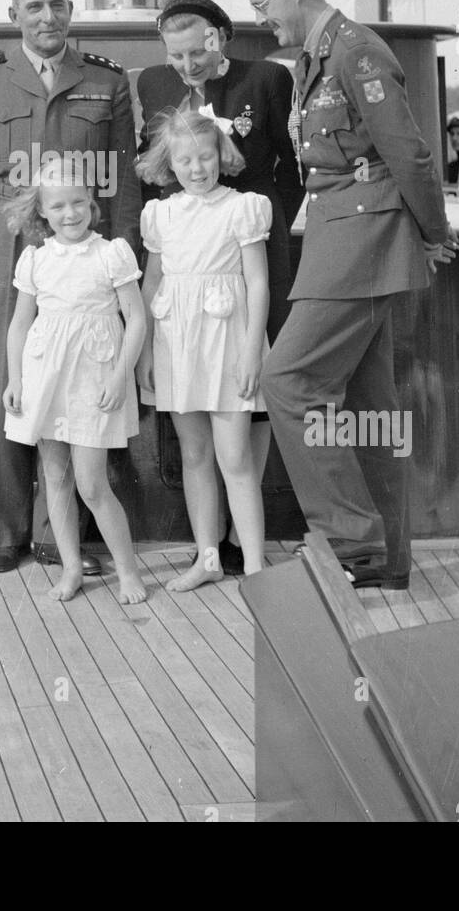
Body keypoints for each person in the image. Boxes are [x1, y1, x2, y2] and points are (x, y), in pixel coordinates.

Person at [245, 0, 457, 590]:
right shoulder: (316, 56)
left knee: (285, 379)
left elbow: (410, 152)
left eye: (264, 4)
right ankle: (388, 560)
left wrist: (434, 230)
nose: (261, 20)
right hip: (340, 237)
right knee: (370, 407)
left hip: (361, 241)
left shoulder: (355, 51)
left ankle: (351, 540)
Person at [0, 0, 141, 575]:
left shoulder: (104, 82)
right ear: (14, 17)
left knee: (84, 382)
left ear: (71, 10)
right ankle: (6, 531)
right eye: (34, 7)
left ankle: (66, 538)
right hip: (8, 250)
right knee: (15, 381)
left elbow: (125, 181)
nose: (47, 17)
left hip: (85, 254)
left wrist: (125, 259)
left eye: (57, 5)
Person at [137, 0, 303, 573]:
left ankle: (241, 538)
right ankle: (214, 540)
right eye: (176, 55)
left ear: (220, 37)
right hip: (184, 247)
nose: (187, 66)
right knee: (198, 422)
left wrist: (264, 216)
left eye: (197, 51)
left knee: (247, 386)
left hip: (253, 240)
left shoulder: (265, 80)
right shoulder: (154, 85)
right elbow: (153, 159)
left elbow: (291, 164)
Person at [135, 109, 271, 591]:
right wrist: (147, 352)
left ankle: (254, 566)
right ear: (170, 162)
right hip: (178, 342)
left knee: (235, 458)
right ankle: (208, 558)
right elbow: (152, 282)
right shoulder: (161, 213)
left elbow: (257, 283)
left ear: (221, 154)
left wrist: (253, 351)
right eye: (186, 160)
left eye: (206, 157)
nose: (197, 169)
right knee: (195, 456)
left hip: (228, 341)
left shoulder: (243, 207)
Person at [2, 177, 148, 604]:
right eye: (59, 206)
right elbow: (19, 325)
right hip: (46, 378)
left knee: (91, 483)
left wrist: (122, 375)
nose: (71, 214)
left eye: (78, 203)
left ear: (91, 203)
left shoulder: (110, 254)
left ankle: (127, 572)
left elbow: (136, 320)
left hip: (95, 379)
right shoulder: (35, 259)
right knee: (56, 478)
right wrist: (16, 378)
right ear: (43, 212)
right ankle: (70, 570)